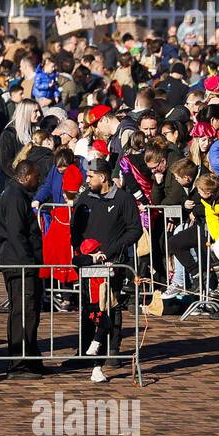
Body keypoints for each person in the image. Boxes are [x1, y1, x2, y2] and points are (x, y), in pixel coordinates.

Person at [69, 159, 140, 382]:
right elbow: (75, 228)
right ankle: (85, 350)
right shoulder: (86, 197)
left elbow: (135, 230)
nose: (87, 180)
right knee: (88, 307)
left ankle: (112, 350)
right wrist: (83, 253)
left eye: (91, 176)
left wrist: (112, 250)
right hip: (88, 263)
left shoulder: (123, 199)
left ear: (104, 177)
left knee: (111, 306)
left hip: (112, 264)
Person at [0, 160, 44, 370]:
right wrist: (28, 263)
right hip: (19, 264)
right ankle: (19, 360)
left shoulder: (19, 195)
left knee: (30, 310)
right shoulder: (15, 196)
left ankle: (31, 357)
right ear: (25, 176)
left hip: (22, 262)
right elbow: (16, 233)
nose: (38, 180)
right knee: (22, 311)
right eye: (35, 176)